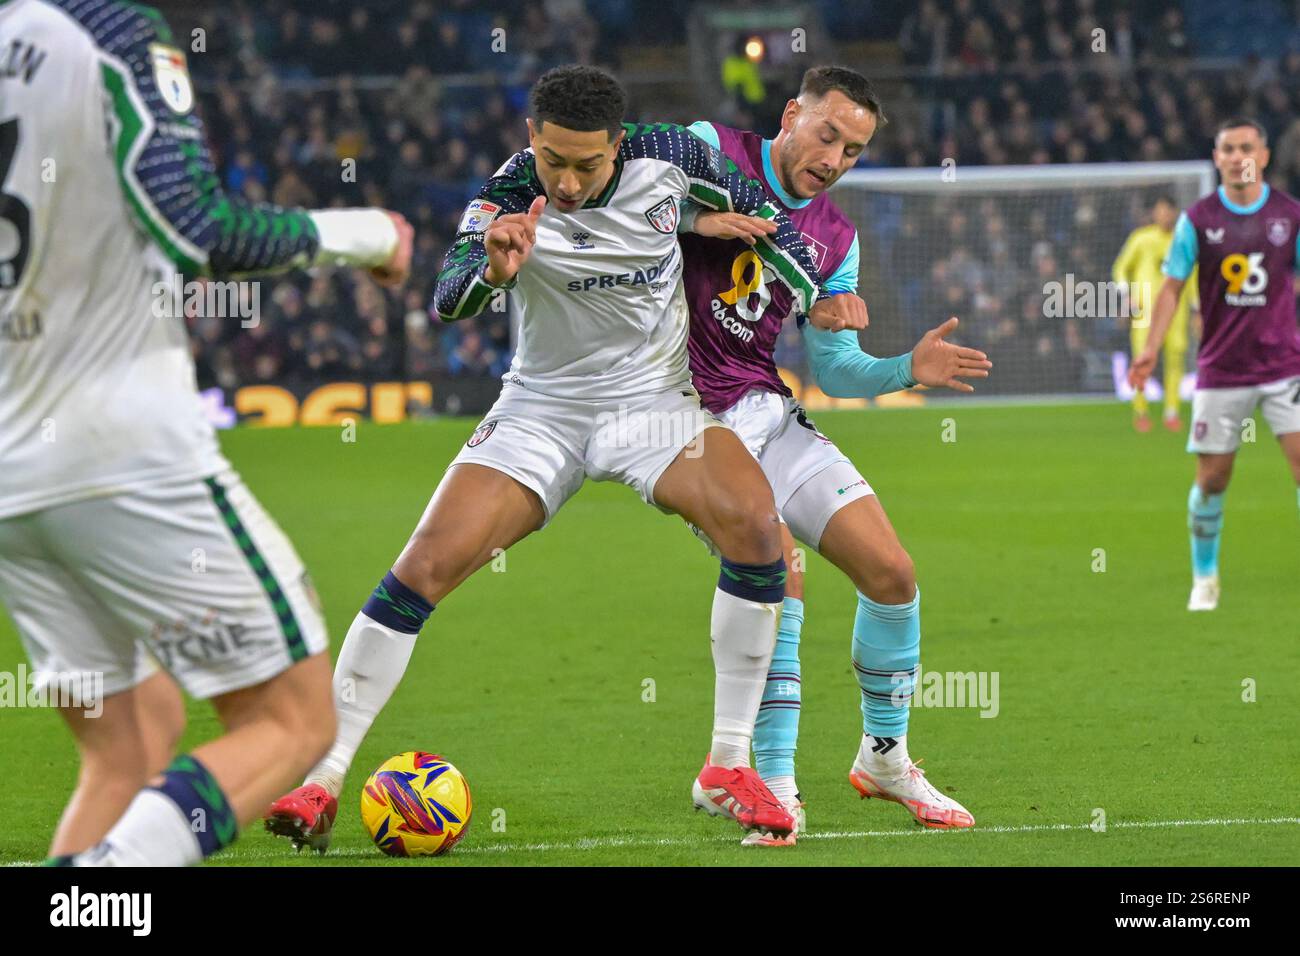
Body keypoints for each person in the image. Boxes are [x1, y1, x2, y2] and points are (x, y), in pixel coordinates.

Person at [265, 64, 854, 851]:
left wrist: (816, 295)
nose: (568, 181)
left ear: (619, 144)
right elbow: (447, 297)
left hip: (653, 404)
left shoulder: (675, 156)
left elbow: (770, 224)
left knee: (757, 530)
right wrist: (492, 272)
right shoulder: (509, 192)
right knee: (424, 566)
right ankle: (322, 778)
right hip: (543, 412)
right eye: (553, 160)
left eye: (587, 163)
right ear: (532, 142)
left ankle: (725, 764)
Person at [0, 0, 411, 866]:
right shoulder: (112, 31)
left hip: (12, 472)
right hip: (120, 454)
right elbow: (196, 228)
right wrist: (365, 232)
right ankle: (104, 886)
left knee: (130, 745)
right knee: (294, 720)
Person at [676, 66, 990, 843]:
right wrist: (693, 221)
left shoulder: (834, 239)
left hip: (766, 409)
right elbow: (617, 205)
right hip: (679, 419)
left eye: (853, 150)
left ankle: (884, 758)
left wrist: (900, 370)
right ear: (791, 115)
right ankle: (775, 780)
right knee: (778, 568)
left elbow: (839, 367)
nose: (834, 158)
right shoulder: (711, 150)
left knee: (893, 573)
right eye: (827, 135)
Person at [1129, 118, 1300, 612]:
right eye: (1227, 148)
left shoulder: (1290, 215)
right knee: (1213, 479)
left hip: (1285, 366)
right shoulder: (1198, 220)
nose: (1237, 155)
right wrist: (1150, 349)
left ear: (1263, 155)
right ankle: (1205, 578)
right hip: (1222, 369)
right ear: (1217, 157)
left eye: (1247, 146)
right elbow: (1171, 288)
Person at [1113, 194, 1197, 431]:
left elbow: (1192, 276)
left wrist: (1197, 307)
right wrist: (1126, 294)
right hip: (1145, 310)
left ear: (1174, 212)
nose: (1163, 215)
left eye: (1166, 210)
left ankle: (1172, 412)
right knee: (1141, 360)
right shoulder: (1141, 239)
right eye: (1159, 210)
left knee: (1174, 359)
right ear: (1154, 213)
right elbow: (1121, 268)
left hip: (1175, 310)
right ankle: (1140, 411)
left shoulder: (1183, 241)